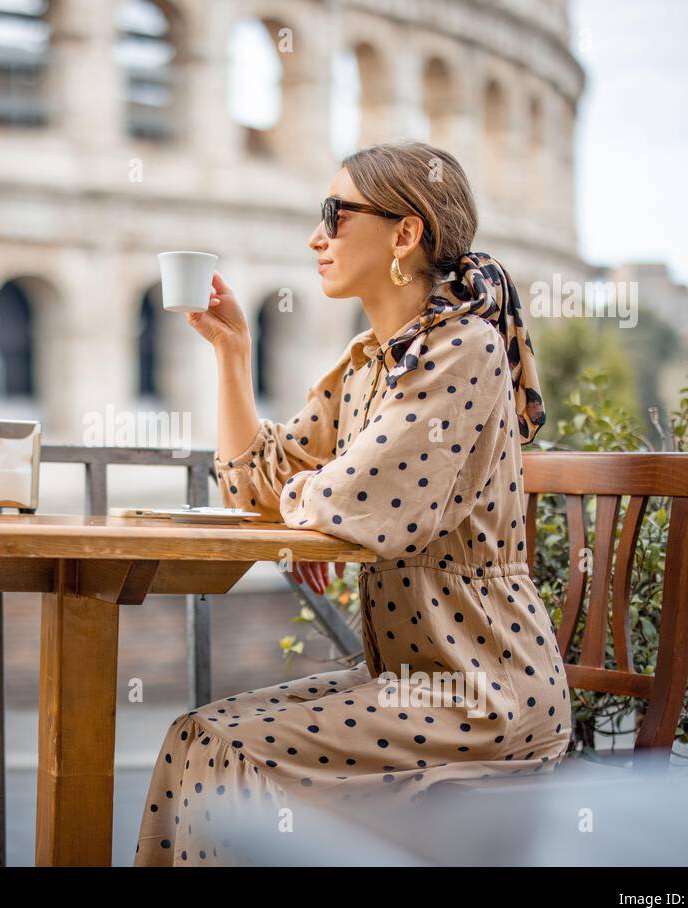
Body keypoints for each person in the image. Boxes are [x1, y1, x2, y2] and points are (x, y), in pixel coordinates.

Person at [133, 141, 570, 866]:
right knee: (194, 736)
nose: (317, 237)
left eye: (334, 215)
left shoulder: (464, 349)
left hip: (486, 692)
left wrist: (317, 501)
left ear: (406, 234)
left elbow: (363, 501)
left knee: (224, 749)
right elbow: (260, 486)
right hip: (410, 683)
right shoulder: (370, 362)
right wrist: (232, 356)